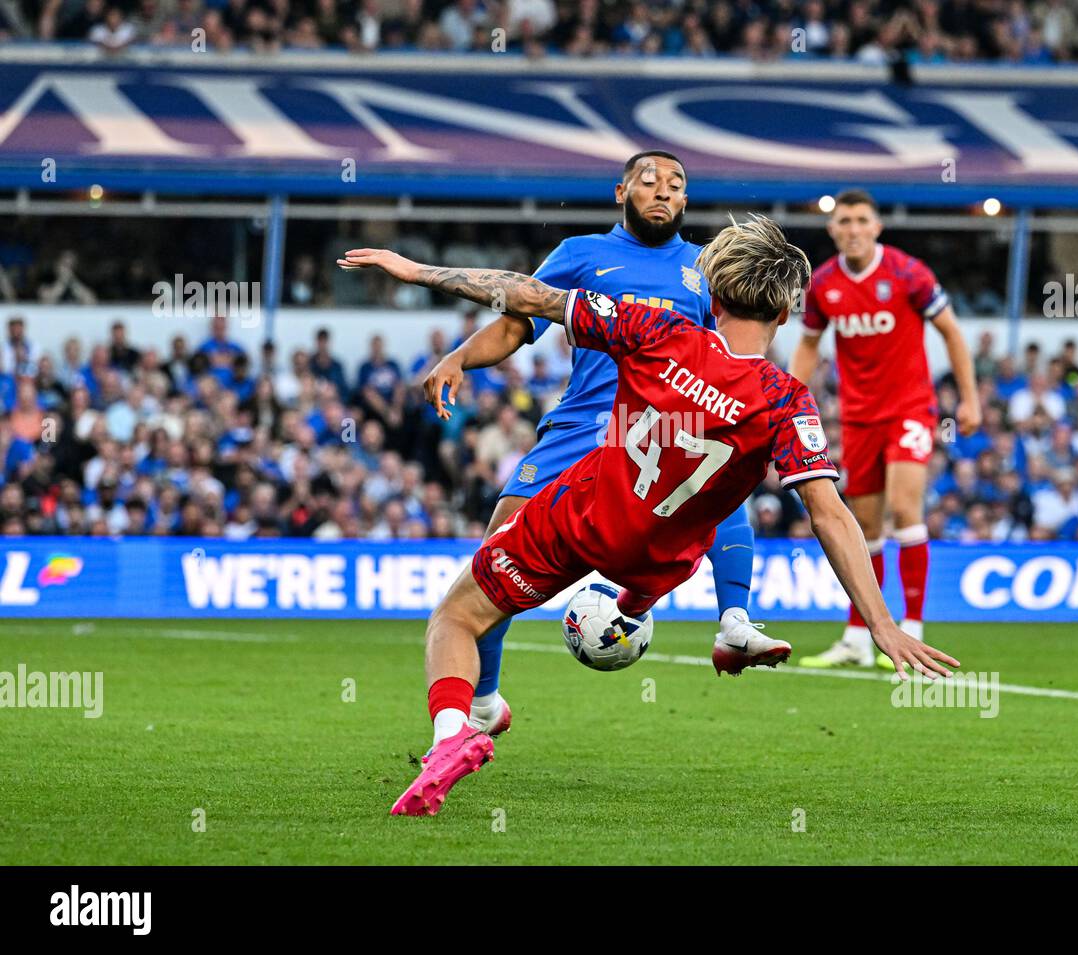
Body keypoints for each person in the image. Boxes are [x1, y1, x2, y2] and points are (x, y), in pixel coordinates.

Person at [337, 215, 960, 817]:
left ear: (711, 296)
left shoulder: (655, 330)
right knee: (720, 504)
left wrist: (417, 271)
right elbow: (829, 513)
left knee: (457, 616)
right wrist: (882, 622)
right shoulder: (786, 401)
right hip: (663, 559)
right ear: (784, 313)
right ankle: (726, 622)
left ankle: (454, 734)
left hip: (582, 520)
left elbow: (524, 292)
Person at [420, 151, 770, 740]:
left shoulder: (706, 269)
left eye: (675, 185)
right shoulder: (581, 254)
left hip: (661, 425)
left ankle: (734, 619)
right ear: (620, 192)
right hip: (584, 423)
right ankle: (483, 701)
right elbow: (516, 322)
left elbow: (735, 349)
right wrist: (460, 356)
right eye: (648, 181)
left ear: (685, 201)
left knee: (722, 487)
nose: (662, 191)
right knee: (497, 552)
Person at [790, 189, 980, 669]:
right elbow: (809, 344)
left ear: (876, 227)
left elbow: (952, 332)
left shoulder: (907, 273)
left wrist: (970, 398)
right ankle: (857, 636)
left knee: (903, 507)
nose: (852, 229)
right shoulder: (824, 284)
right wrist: (787, 396)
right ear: (832, 230)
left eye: (861, 220)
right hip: (858, 417)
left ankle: (911, 627)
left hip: (910, 409)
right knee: (866, 526)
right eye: (844, 221)